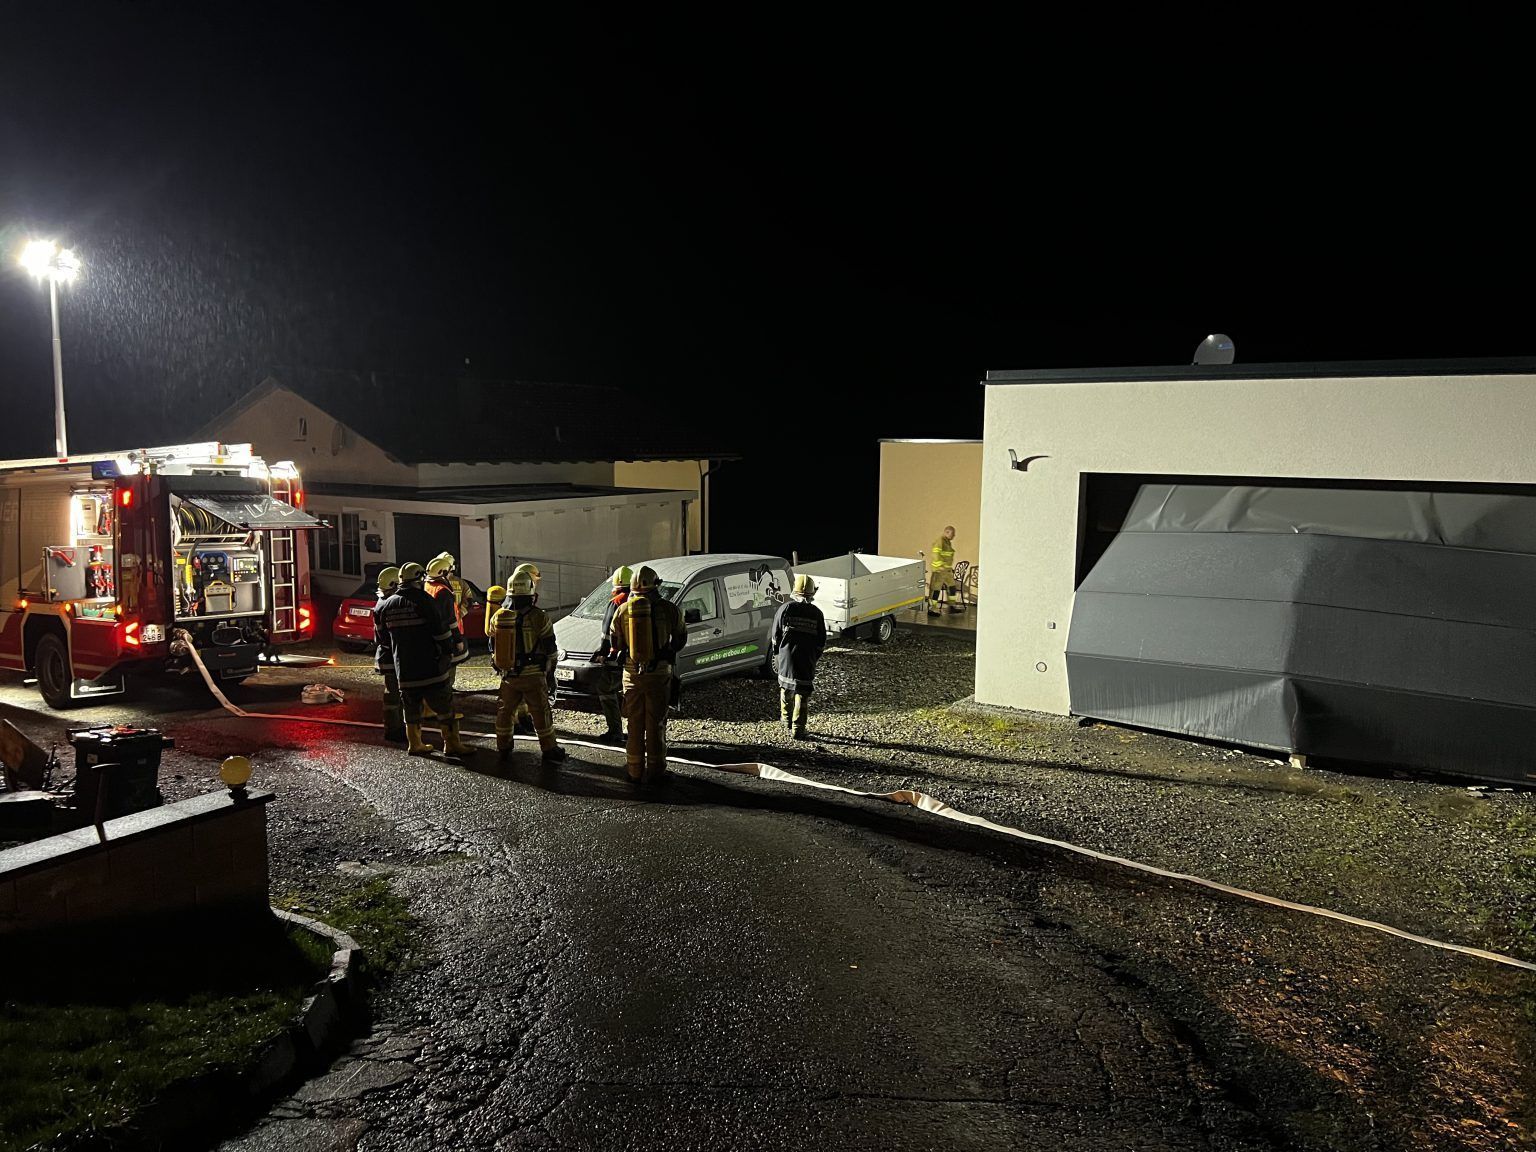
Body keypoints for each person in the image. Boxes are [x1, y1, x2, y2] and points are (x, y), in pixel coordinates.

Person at [375, 562, 472, 758]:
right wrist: (447, 653)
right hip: (430, 667)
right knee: (444, 707)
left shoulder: (386, 606)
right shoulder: (425, 601)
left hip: (404, 669)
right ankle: (452, 744)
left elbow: (381, 639)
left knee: (411, 709)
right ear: (418, 579)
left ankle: (415, 743)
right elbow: (440, 632)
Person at [608, 564, 686, 785]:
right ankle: (656, 771)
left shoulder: (622, 611)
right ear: (656, 585)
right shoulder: (669, 610)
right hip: (659, 675)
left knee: (634, 724)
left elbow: (615, 643)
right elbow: (680, 638)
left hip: (631, 675)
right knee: (656, 724)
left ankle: (634, 771)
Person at [488, 570, 567, 764]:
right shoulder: (539, 617)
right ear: (531, 594)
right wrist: (551, 672)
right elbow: (550, 648)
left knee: (505, 711)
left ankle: (503, 745)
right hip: (533, 675)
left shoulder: (499, 616)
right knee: (541, 712)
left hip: (509, 676)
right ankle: (549, 749)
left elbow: (492, 644)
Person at [771, 573, 828, 739]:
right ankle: (798, 729)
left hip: (786, 658)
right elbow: (821, 641)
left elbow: (775, 636)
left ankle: (786, 720)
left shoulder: (785, 609)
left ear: (794, 592)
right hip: (806, 659)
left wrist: (777, 656)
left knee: (785, 689)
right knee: (802, 695)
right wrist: (813, 658)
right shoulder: (817, 613)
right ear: (812, 594)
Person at [588, 564, 633, 745]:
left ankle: (615, 731)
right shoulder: (638, 600)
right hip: (634, 657)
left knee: (607, 690)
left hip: (616, 656)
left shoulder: (616, 602)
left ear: (615, 584)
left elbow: (608, 632)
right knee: (630, 692)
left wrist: (603, 652)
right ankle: (635, 730)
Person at [372, 565, 407, 743]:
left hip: (386, 657)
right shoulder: (387, 605)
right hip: (391, 657)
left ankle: (395, 728)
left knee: (393, 694)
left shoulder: (381, 603)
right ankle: (394, 730)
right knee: (394, 695)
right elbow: (385, 638)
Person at [509, 562, 544, 736]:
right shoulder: (531, 610)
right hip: (525, 663)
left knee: (516, 698)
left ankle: (522, 719)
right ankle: (517, 722)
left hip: (511, 663)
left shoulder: (509, 604)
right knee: (525, 698)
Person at [927, 525, 963, 615]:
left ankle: (952, 606)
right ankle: (932, 608)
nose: (954, 536)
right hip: (939, 571)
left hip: (946, 571)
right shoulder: (940, 541)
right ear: (947, 532)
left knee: (952, 587)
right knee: (936, 590)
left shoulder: (947, 542)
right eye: (952, 534)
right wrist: (940, 566)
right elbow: (936, 554)